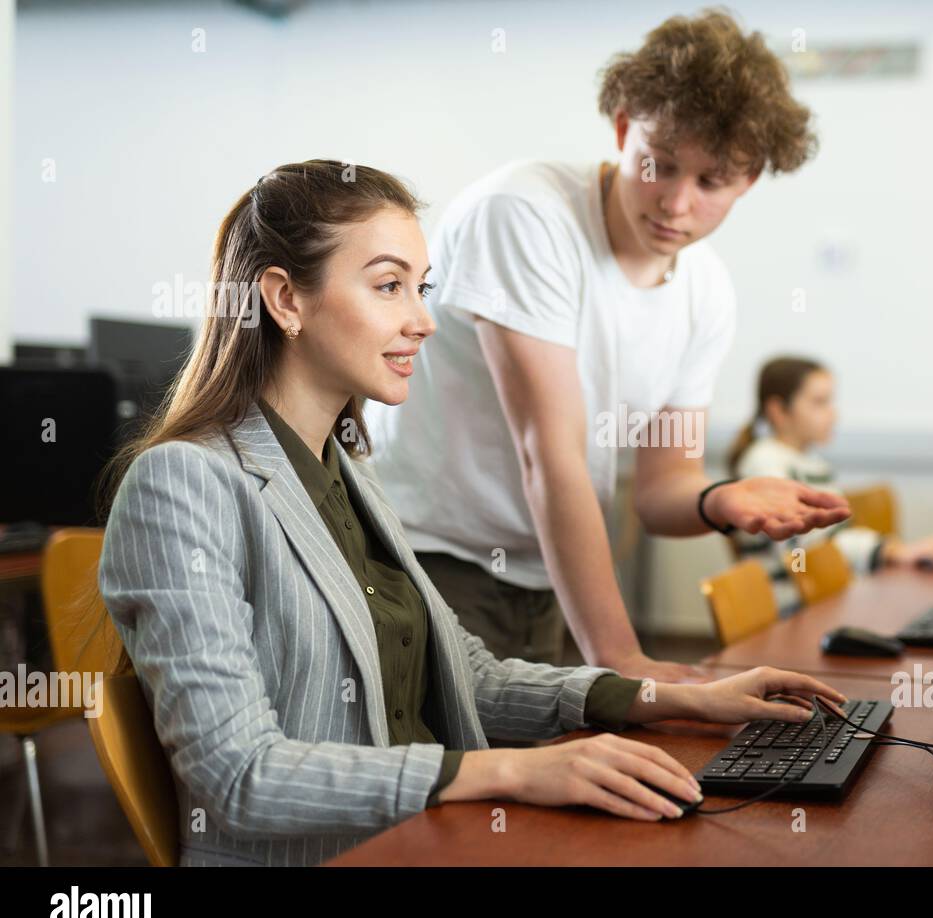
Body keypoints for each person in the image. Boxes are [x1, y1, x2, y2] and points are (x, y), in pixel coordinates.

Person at [95, 161, 849, 867]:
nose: (423, 320)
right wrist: (508, 774)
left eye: (424, 287)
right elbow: (239, 774)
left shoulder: (349, 472)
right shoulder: (183, 484)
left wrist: (671, 698)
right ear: (286, 299)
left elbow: (470, 677)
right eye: (390, 287)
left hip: (422, 839)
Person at [366, 10, 848, 683]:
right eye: (661, 164)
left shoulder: (705, 291)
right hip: (431, 557)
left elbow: (664, 486)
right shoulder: (524, 215)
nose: (677, 203)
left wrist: (720, 499)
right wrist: (622, 659)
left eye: (711, 182)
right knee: (463, 778)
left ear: (750, 180)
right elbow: (549, 452)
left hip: (544, 572)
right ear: (624, 129)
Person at [728, 356, 933, 611]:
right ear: (778, 410)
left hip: (823, 593)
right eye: (819, 403)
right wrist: (891, 551)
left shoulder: (810, 461)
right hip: (793, 605)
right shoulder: (764, 463)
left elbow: (832, 539)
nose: (833, 413)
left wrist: (895, 550)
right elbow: (805, 552)